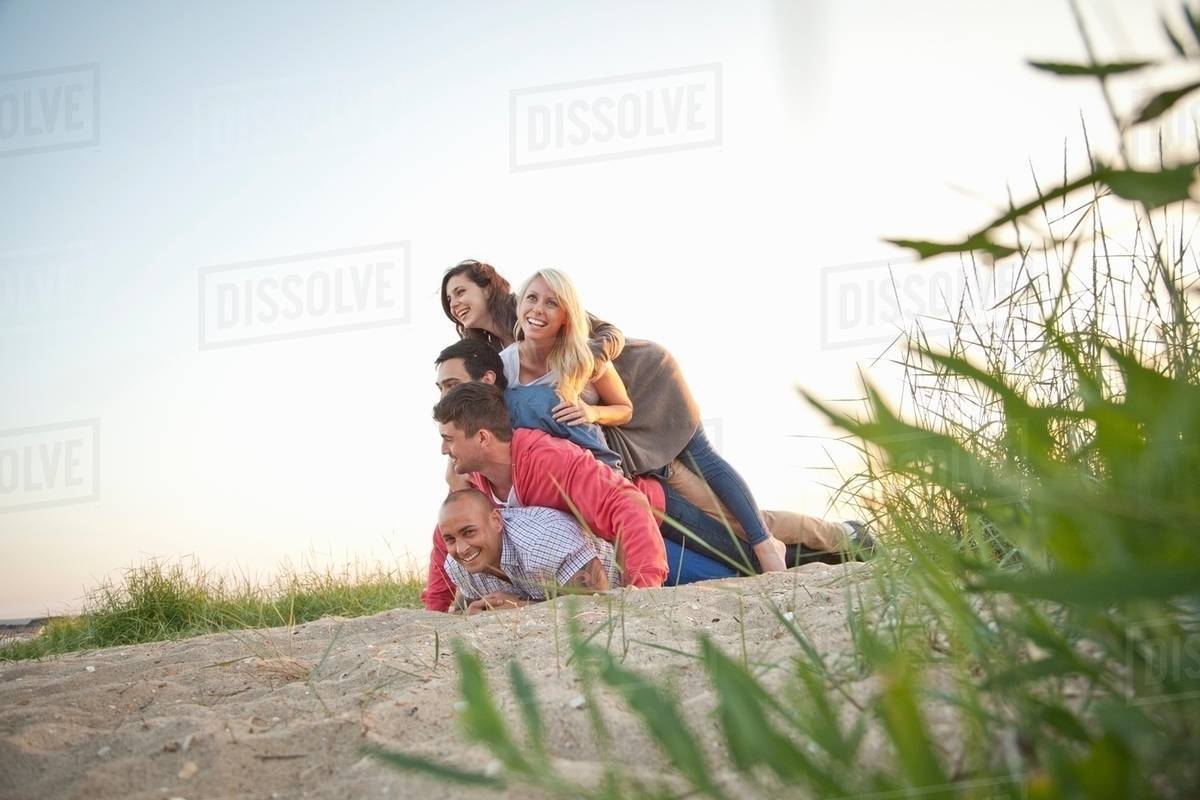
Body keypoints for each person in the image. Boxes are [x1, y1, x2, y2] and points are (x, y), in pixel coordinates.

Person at [439, 260, 871, 565]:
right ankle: (826, 546)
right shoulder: (499, 357)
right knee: (715, 523)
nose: (455, 302)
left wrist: (585, 369)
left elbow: (610, 340)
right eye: (449, 299)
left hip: (648, 396)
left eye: (461, 290)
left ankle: (838, 536)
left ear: (489, 285)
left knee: (728, 514)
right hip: (628, 447)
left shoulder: (541, 304)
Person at [421, 382, 760, 612]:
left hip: (653, 518)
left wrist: (642, 591)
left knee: (745, 566)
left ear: (482, 437)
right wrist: (434, 609)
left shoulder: (548, 459)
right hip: (603, 550)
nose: (442, 448)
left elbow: (627, 506)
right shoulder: (477, 481)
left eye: (448, 438)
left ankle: (792, 551)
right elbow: (445, 535)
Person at [438, 488, 618, 614]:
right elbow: (465, 610)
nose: (461, 550)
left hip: (627, 589)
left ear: (496, 521)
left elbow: (597, 602)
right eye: (450, 539)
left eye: (469, 532)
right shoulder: (456, 566)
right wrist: (473, 612)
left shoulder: (542, 540)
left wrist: (523, 607)